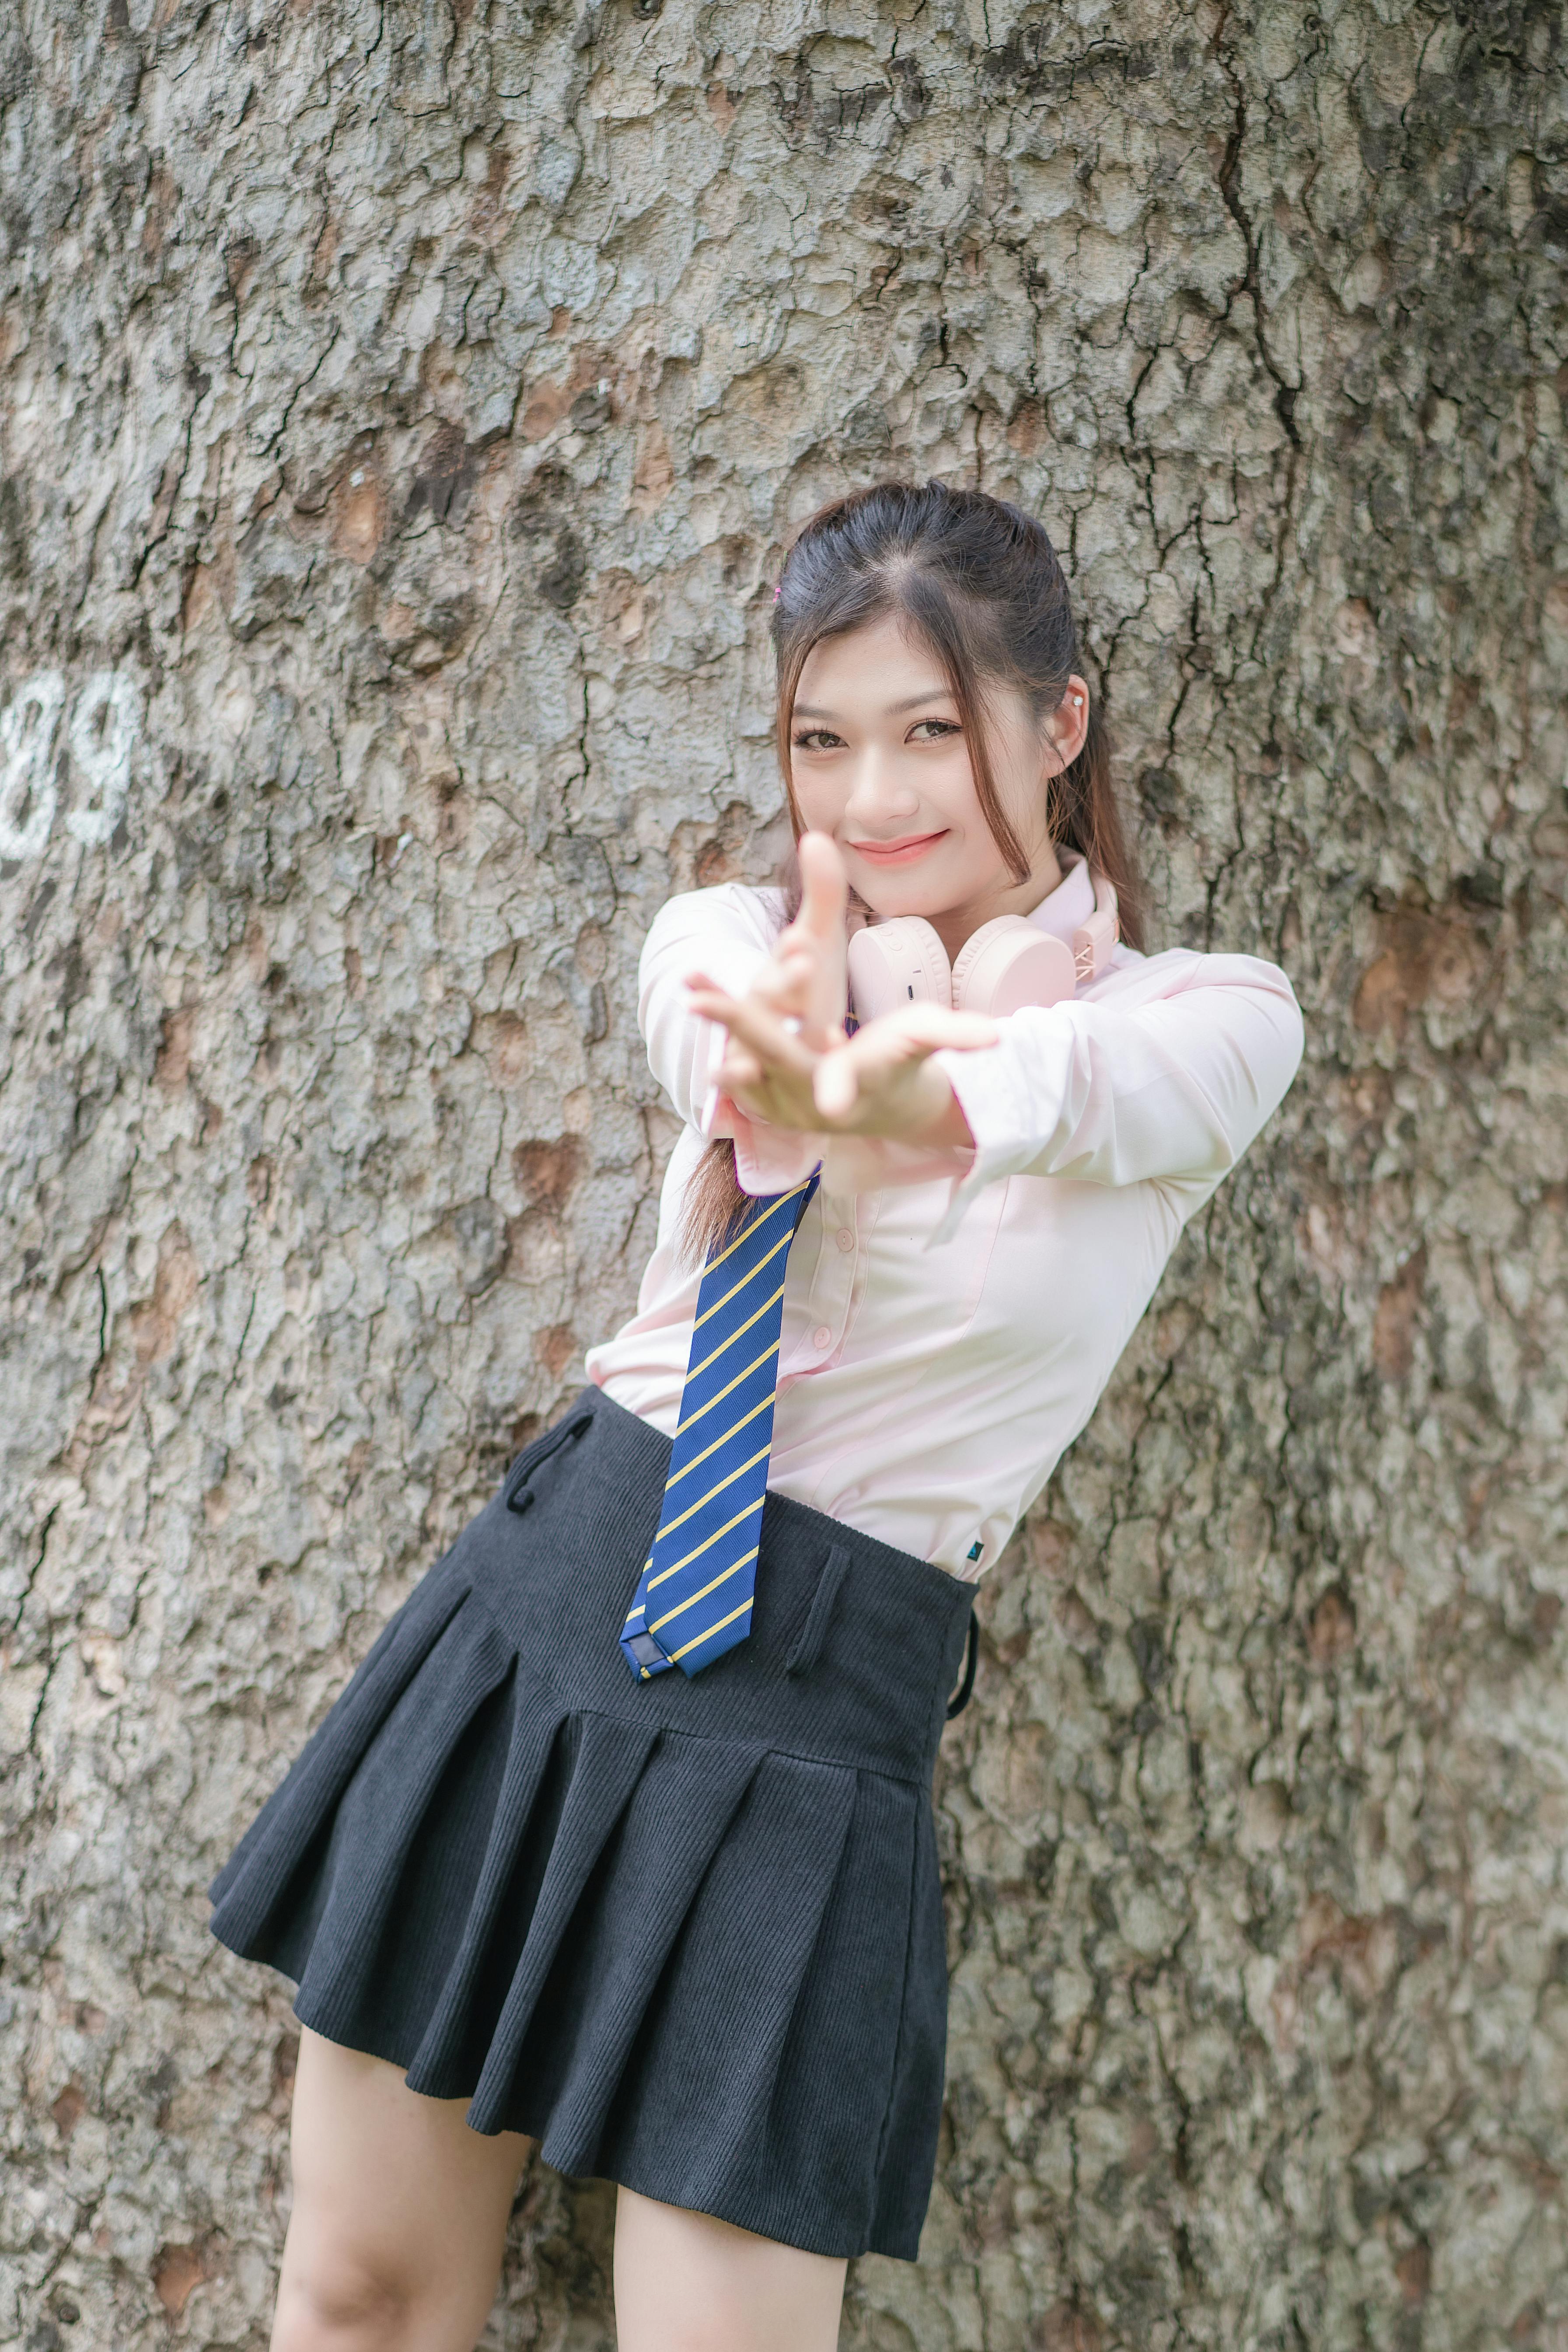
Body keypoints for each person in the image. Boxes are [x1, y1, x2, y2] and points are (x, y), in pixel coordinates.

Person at [208, 480, 1304, 2352]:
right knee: (364, 2293)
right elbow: (703, 1023)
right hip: (546, 1623)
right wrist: (768, 1055)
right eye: (823, 740)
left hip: (813, 1722)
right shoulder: (724, 932)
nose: (872, 801)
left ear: (1062, 725)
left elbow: (1049, 1094)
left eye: (932, 731)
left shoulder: (1204, 1021)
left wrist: (879, 1088)